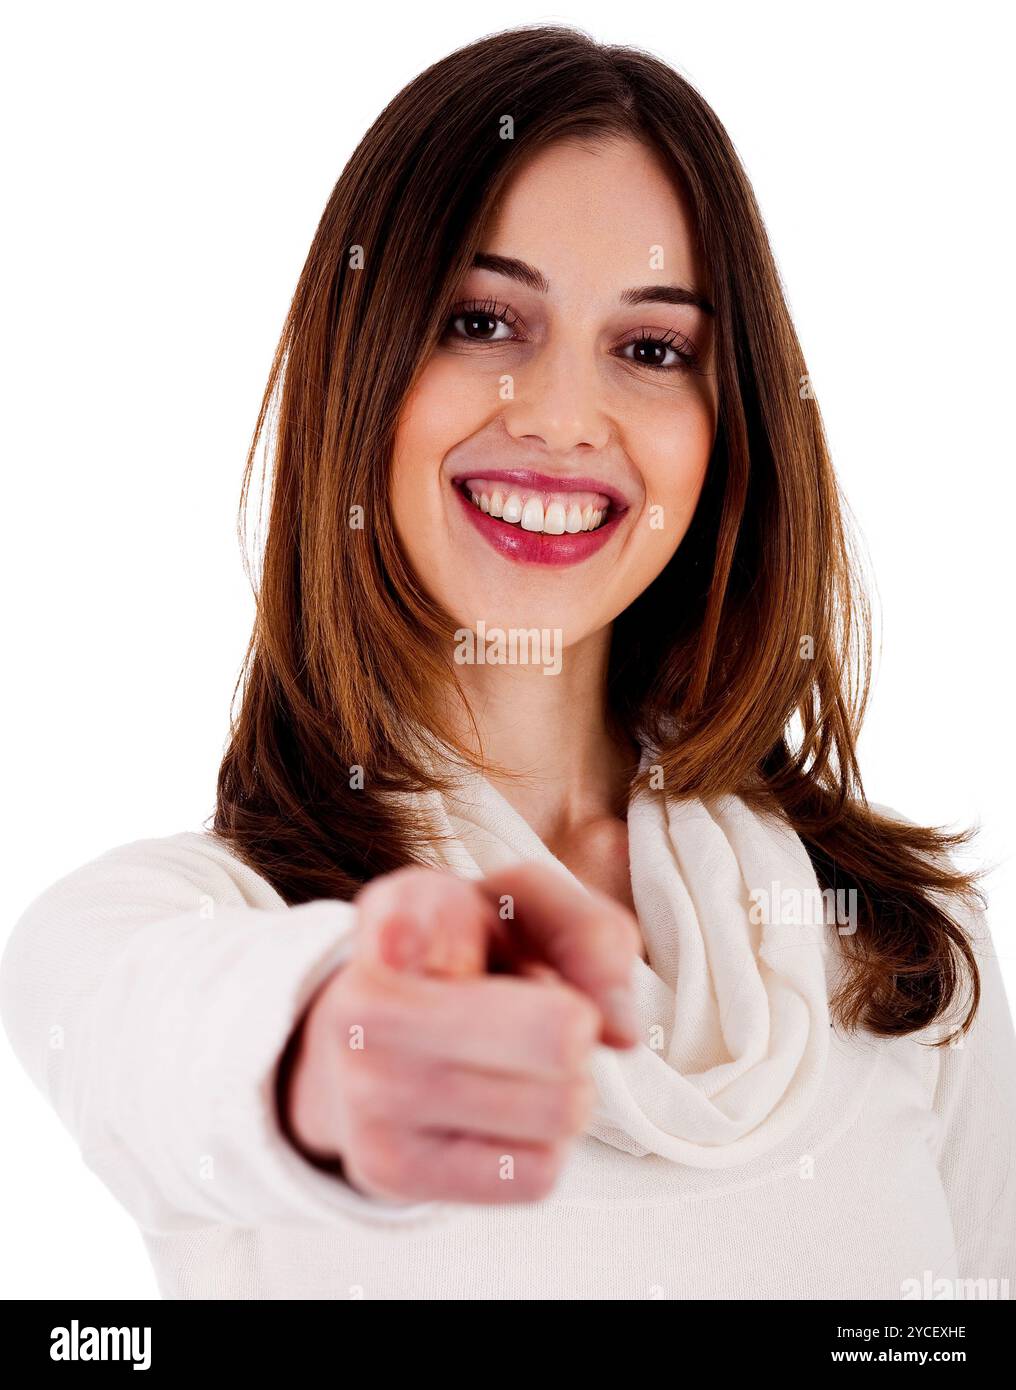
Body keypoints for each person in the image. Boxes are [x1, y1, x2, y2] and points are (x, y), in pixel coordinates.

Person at [3, 23, 1014, 1301]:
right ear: (358, 369)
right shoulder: (172, 925)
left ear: (725, 429)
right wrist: (337, 1039)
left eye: (650, 348)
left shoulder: (902, 954)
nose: (557, 416)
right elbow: (143, 1026)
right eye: (483, 320)